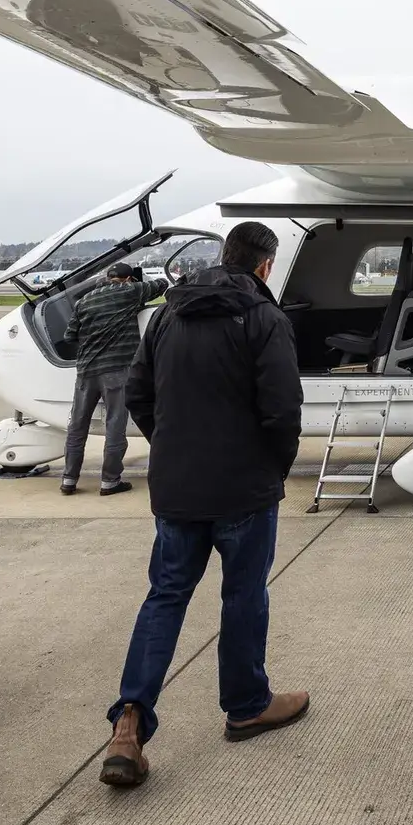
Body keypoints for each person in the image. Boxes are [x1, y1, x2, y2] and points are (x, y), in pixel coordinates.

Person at [99, 221, 309, 789]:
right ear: (265, 267)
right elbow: (283, 410)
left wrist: (169, 446)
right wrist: (273, 470)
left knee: (164, 598)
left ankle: (130, 722)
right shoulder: (265, 319)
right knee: (243, 595)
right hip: (243, 489)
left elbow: (140, 394)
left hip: (177, 489)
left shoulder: (168, 314)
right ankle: (245, 705)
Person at [59, 261, 169, 496]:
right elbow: (161, 285)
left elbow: (70, 336)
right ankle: (110, 481)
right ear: (129, 279)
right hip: (117, 371)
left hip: (85, 371)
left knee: (77, 426)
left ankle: (69, 479)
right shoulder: (130, 291)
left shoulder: (84, 301)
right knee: (115, 426)